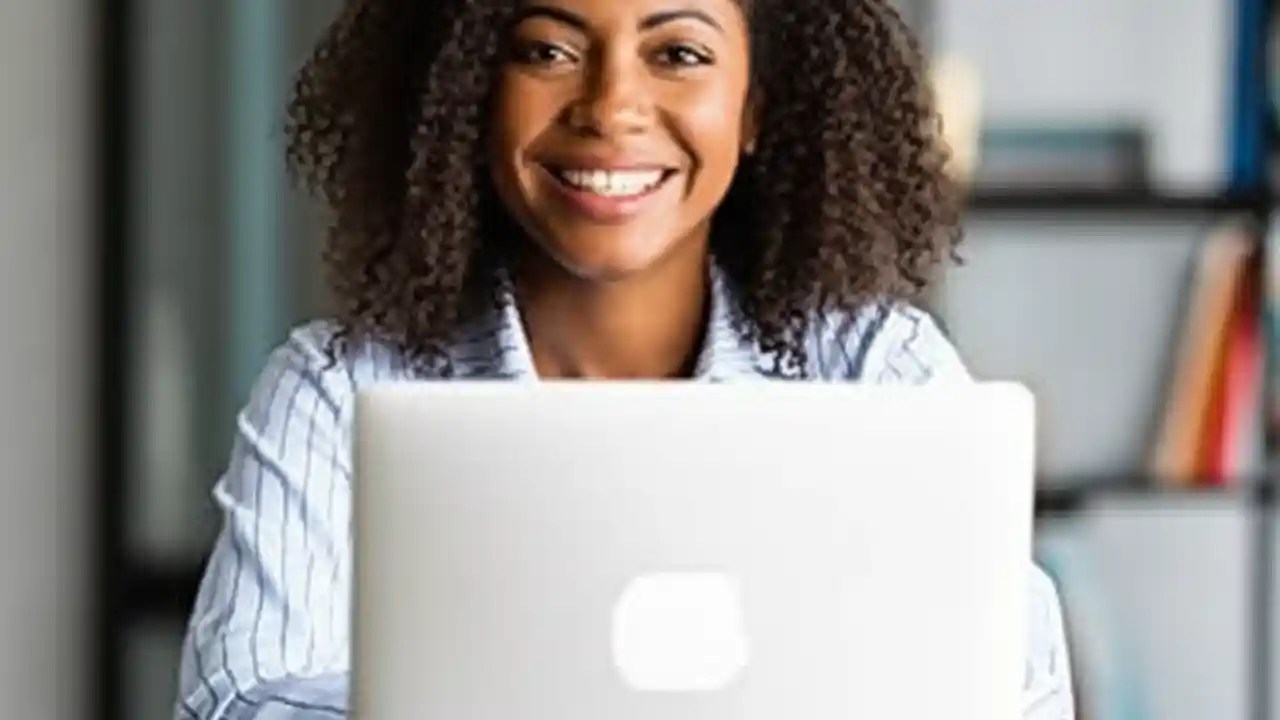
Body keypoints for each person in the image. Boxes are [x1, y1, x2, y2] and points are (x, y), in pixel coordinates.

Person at [175, 0, 1075, 717]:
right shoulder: (340, 392)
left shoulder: (879, 372)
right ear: (470, 91)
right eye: (547, 50)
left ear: (757, 106)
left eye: (678, 53)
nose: (609, 107)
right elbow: (242, 704)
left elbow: (1019, 691)